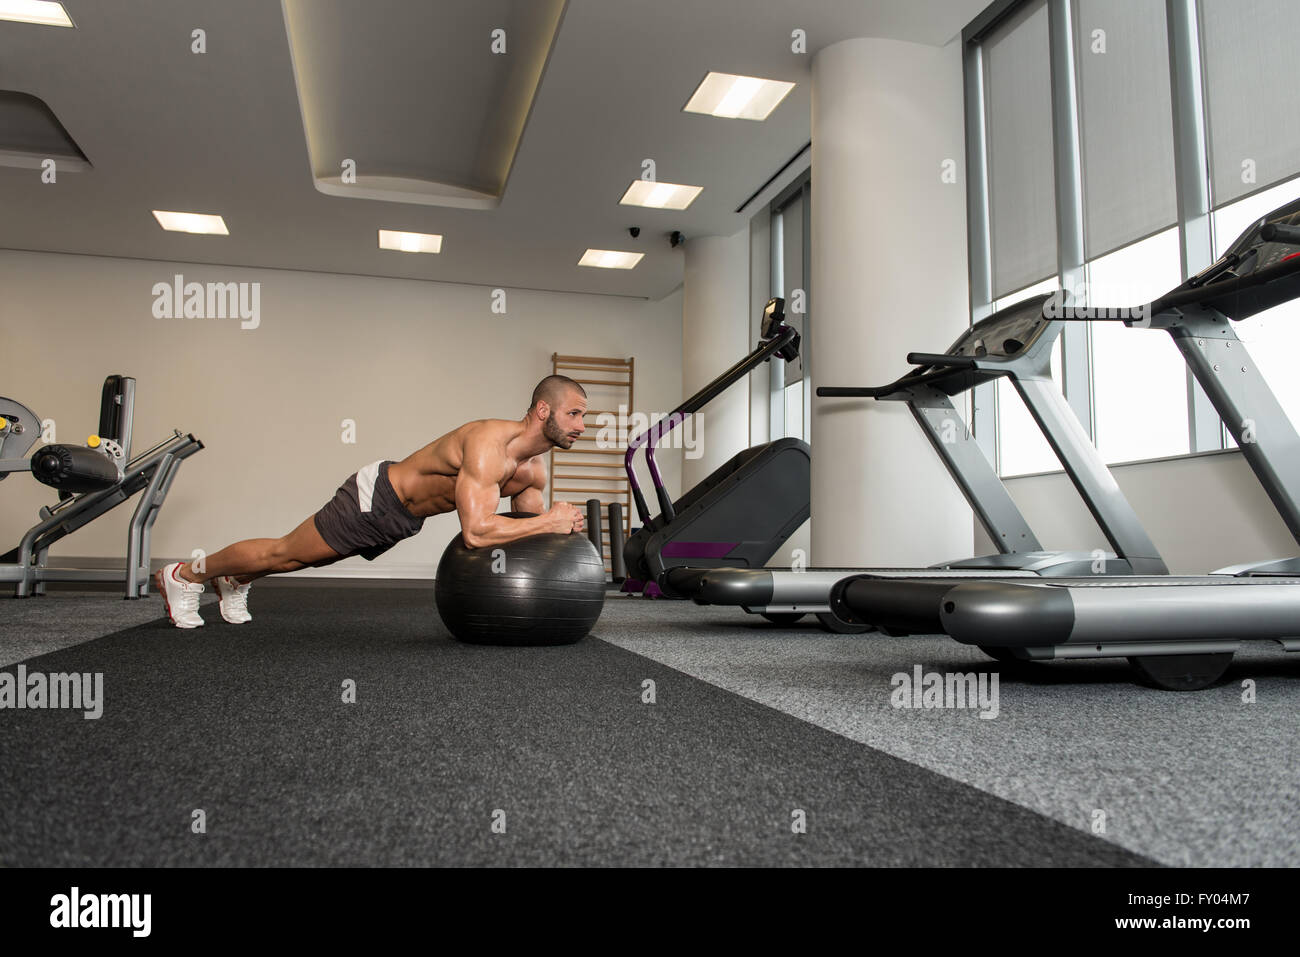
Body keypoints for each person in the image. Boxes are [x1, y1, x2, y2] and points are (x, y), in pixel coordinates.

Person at [155, 375, 590, 628]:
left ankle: (234, 581)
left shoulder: (533, 469)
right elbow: (476, 534)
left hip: (402, 520)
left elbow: (530, 541)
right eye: (575, 414)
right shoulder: (488, 444)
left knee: (306, 560)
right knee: (286, 553)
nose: (582, 426)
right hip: (377, 497)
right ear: (542, 411)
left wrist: (560, 529)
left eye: (584, 416)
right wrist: (550, 521)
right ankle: (186, 573)